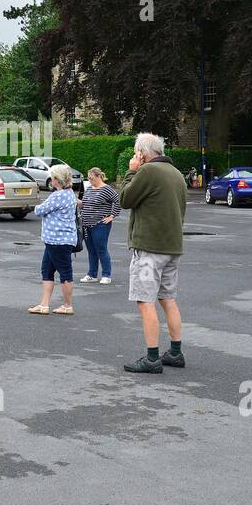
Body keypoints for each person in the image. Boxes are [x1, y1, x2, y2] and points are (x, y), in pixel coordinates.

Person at [119, 133, 187, 374]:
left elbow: (125, 199)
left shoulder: (147, 171)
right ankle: (176, 353)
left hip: (149, 248)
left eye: (137, 153)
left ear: (142, 153)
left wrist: (131, 171)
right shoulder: (176, 173)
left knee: (145, 300)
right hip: (172, 247)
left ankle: (152, 358)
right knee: (168, 298)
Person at [29, 165, 79, 315]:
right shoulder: (70, 193)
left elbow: (39, 210)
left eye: (52, 177)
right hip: (57, 240)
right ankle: (44, 305)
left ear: (57, 179)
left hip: (58, 240)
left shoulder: (58, 196)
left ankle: (67, 305)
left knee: (65, 273)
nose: (51, 179)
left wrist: (37, 206)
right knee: (47, 271)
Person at [79, 167, 121, 285]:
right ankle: (92, 274)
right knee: (91, 250)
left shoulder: (106, 189)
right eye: (88, 178)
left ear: (98, 177)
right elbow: (85, 204)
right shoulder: (89, 188)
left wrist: (112, 216)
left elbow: (118, 200)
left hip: (100, 224)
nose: (90, 180)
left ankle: (106, 275)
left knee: (101, 249)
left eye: (91, 178)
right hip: (87, 224)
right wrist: (78, 202)